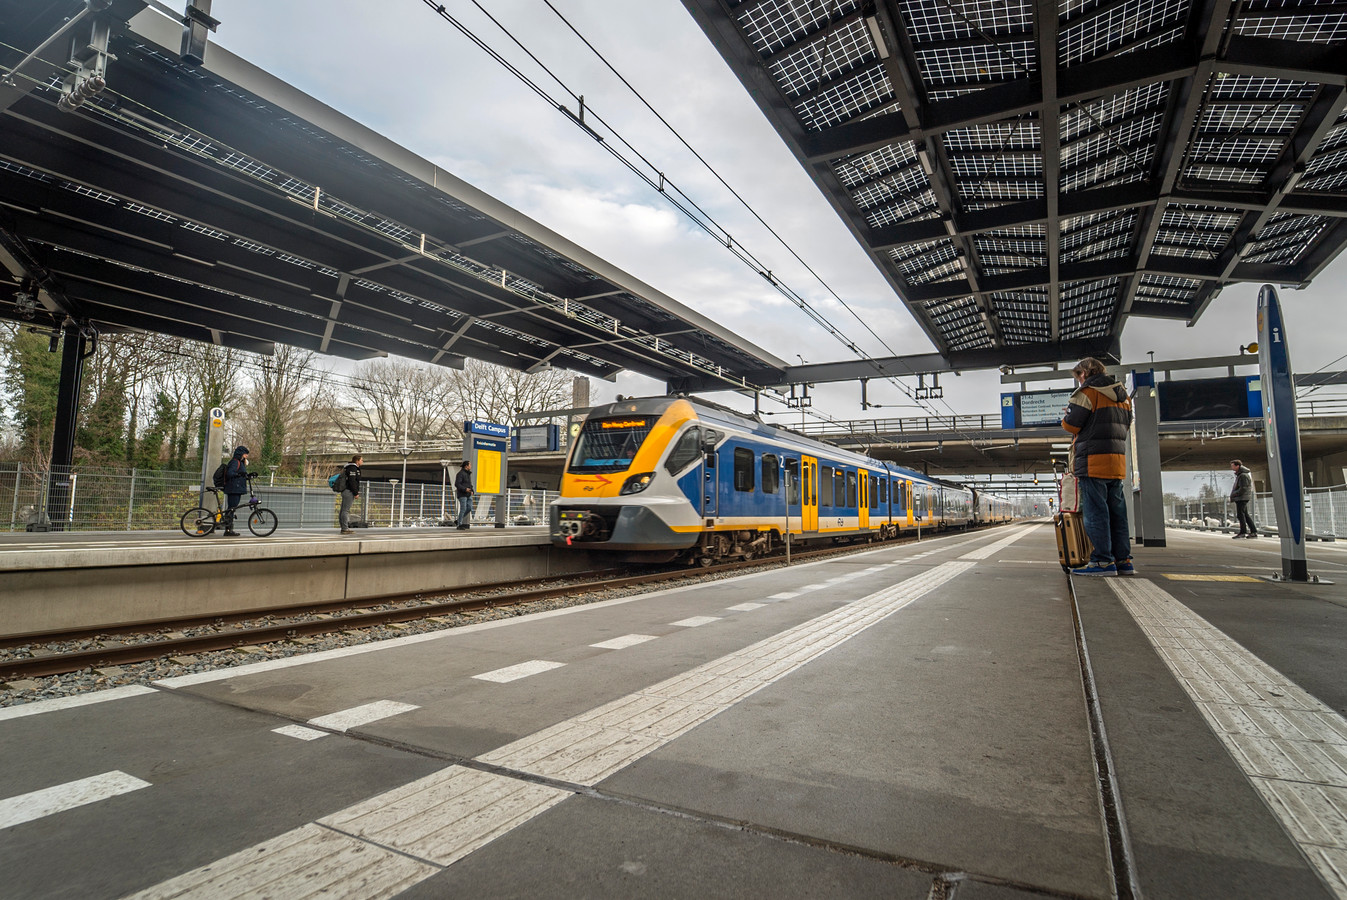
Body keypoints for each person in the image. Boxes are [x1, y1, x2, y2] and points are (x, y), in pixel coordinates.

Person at [1061, 358, 1134, 576]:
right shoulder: (1124, 397)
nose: (1079, 380)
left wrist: (1067, 415)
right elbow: (1125, 425)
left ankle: (1102, 561)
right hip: (1116, 462)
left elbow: (1071, 425)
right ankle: (1123, 560)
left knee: (1096, 513)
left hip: (1093, 462)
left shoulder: (1087, 393)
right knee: (1117, 514)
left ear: (1084, 373)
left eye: (1078, 376)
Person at [221, 446, 249, 537]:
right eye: (245, 454)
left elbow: (241, 474)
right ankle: (228, 529)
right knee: (231, 509)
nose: (246, 456)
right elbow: (230, 473)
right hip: (233, 489)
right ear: (241, 454)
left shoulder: (240, 462)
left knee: (232, 509)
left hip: (237, 489)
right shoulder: (235, 462)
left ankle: (229, 528)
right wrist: (238, 474)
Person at [1229, 459, 1257, 539]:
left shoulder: (1243, 475)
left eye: (1232, 466)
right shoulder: (1241, 475)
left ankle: (1243, 532)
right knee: (1245, 515)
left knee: (1240, 515)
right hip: (1241, 497)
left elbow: (1243, 488)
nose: (1231, 467)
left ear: (1237, 466)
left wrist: (1235, 494)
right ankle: (1253, 532)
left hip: (1242, 498)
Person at [339, 454, 362, 535]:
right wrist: (355, 493)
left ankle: (343, 527)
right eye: (361, 460)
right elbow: (352, 481)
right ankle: (345, 528)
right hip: (349, 491)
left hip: (345, 491)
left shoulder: (348, 467)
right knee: (345, 510)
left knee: (343, 510)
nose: (362, 462)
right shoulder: (352, 468)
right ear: (357, 461)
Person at [453, 459, 474, 530]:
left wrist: (472, 490)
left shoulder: (468, 474)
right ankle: (459, 524)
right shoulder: (460, 474)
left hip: (468, 494)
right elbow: (457, 484)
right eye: (470, 465)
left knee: (469, 507)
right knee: (463, 508)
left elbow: (469, 484)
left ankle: (458, 520)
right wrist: (465, 489)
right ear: (466, 466)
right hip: (462, 494)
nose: (471, 466)